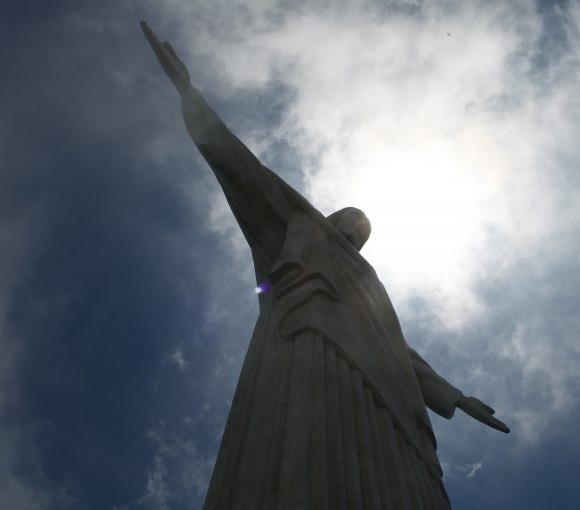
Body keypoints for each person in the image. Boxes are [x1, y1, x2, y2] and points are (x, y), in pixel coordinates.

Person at [142, 21, 509, 510]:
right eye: (350, 224)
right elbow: (242, 170)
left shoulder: (368, 279)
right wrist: (191, 96)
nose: (355, 235)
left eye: (361, 234)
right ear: (331, 216)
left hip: (393, 396)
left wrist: (454, 396)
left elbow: (399, 349)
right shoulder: (301, 226)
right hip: (314, 343)